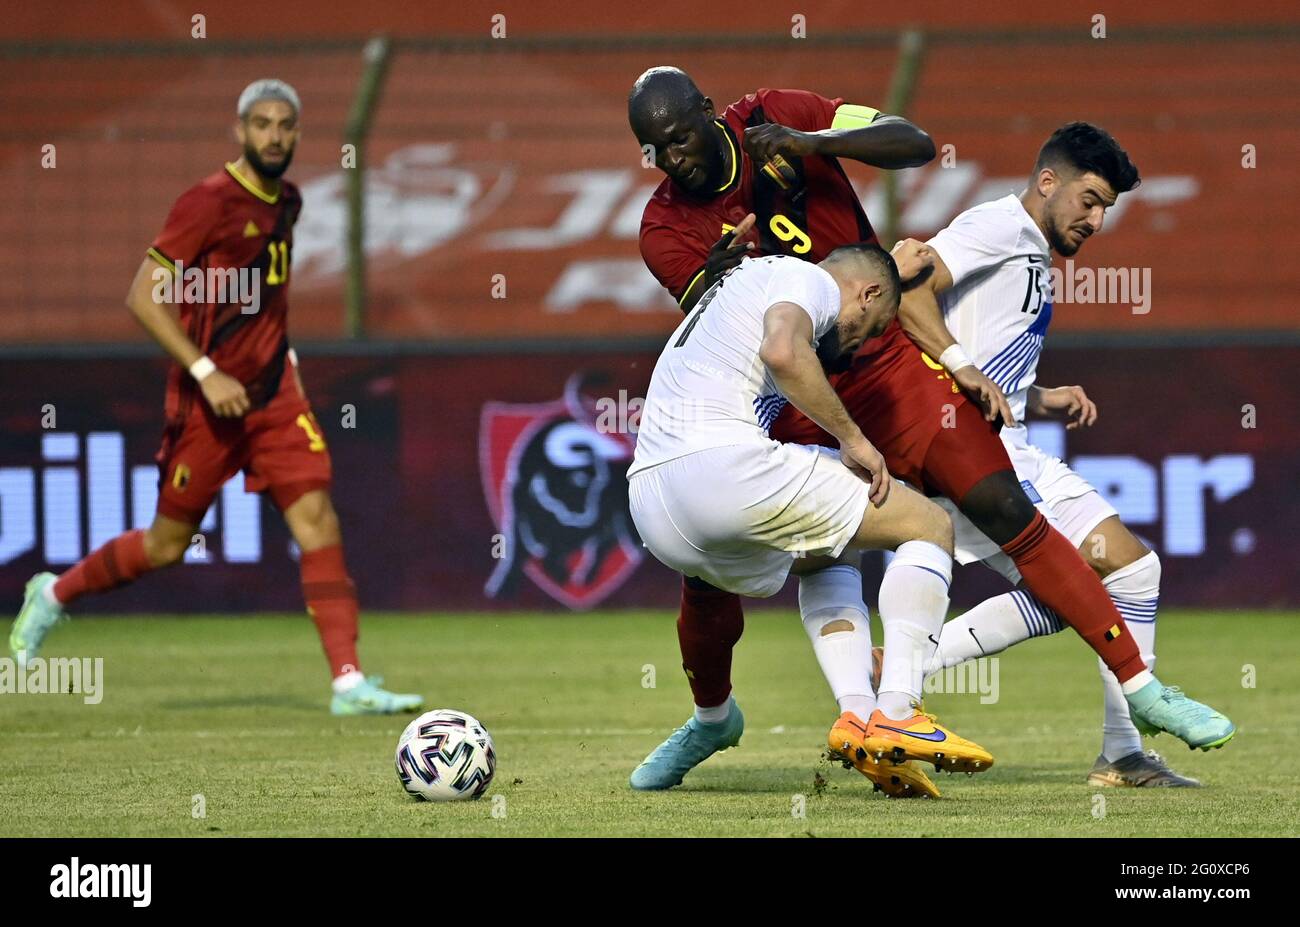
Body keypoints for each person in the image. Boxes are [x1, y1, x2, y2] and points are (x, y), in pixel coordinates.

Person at [629, 67, 1233, 791]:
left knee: (1006, 505)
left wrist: (810, 141)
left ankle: (1133, 694)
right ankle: (751, 717)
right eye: (655, 150)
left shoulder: (775, 113)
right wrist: (725, 274)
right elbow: (739, 324)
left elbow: (911, 143)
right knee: (752, 566)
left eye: (680, 139)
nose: (672, 160)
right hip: (793, 384)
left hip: (882, 355)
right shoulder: (662, 227)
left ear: (706, 112)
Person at [8, 79, 423, 716]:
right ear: (240, 130)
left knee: (317, 519)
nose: (275, 136)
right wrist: (207, 371)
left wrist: (286, 364)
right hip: (209, 402)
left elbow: (270, 306)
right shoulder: (206, 203)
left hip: (274, 396)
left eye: (286, 124)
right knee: (164, 546)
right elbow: (143, 298)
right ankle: (54, 594)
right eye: (262, 124)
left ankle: (348, 683)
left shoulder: (288, 202)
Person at [894, 122, 1220, 786]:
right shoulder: (997, 226)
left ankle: (1123, 752)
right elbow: (907, 293)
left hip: (1012, 442)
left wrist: (1037, 395)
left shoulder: (1034, 253)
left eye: (1106, 209)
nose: (1096, 220)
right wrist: (964, 369)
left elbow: (986, 354)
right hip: (970, 453)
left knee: (1129, 572)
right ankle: (903, 669)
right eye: (1090, 200)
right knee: (1085, 581)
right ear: (1048, 182)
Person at [629, 246, 993, 799]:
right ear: (866, 294)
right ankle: (897, 708)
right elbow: (783, 351)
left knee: (833, 548)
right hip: (717, 473)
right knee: (927, 524)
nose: (855, 347)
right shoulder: (807, 280)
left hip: (653, 508)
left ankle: (854, 716)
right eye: (869, 329)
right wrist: (854, 440)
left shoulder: (741, 287)